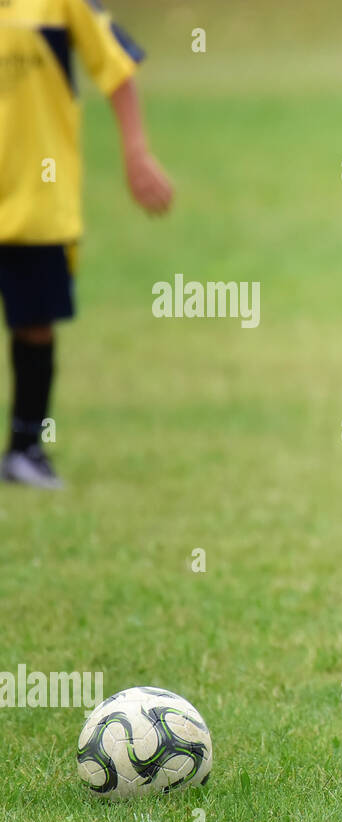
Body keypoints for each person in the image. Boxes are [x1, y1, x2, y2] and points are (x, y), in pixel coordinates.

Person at [0, 0, 173, 488]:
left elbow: (116, 66)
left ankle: (24, 449)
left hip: (38, 194)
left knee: (35, 323)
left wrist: (136, 152)